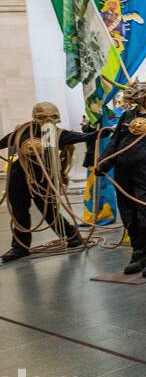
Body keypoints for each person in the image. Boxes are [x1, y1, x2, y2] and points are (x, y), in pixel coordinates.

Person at [1, 102, 94, 261]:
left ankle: (72, 237)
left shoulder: (55, 134)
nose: (47, 121)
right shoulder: (22, 131)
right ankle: (20, 248)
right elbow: (3, 142)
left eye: (52, 117)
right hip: (18, 177)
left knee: (50, 212)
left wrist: (107, 131)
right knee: (19, 213)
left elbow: (81, 137)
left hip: (43, 179)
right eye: (43, 117)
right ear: (35, 116)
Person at [97, 80, 146, 277]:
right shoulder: (127, 116)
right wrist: (104, 163)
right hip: (124, 170)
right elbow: (115, 142)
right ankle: (138, 254)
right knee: (129, 215)